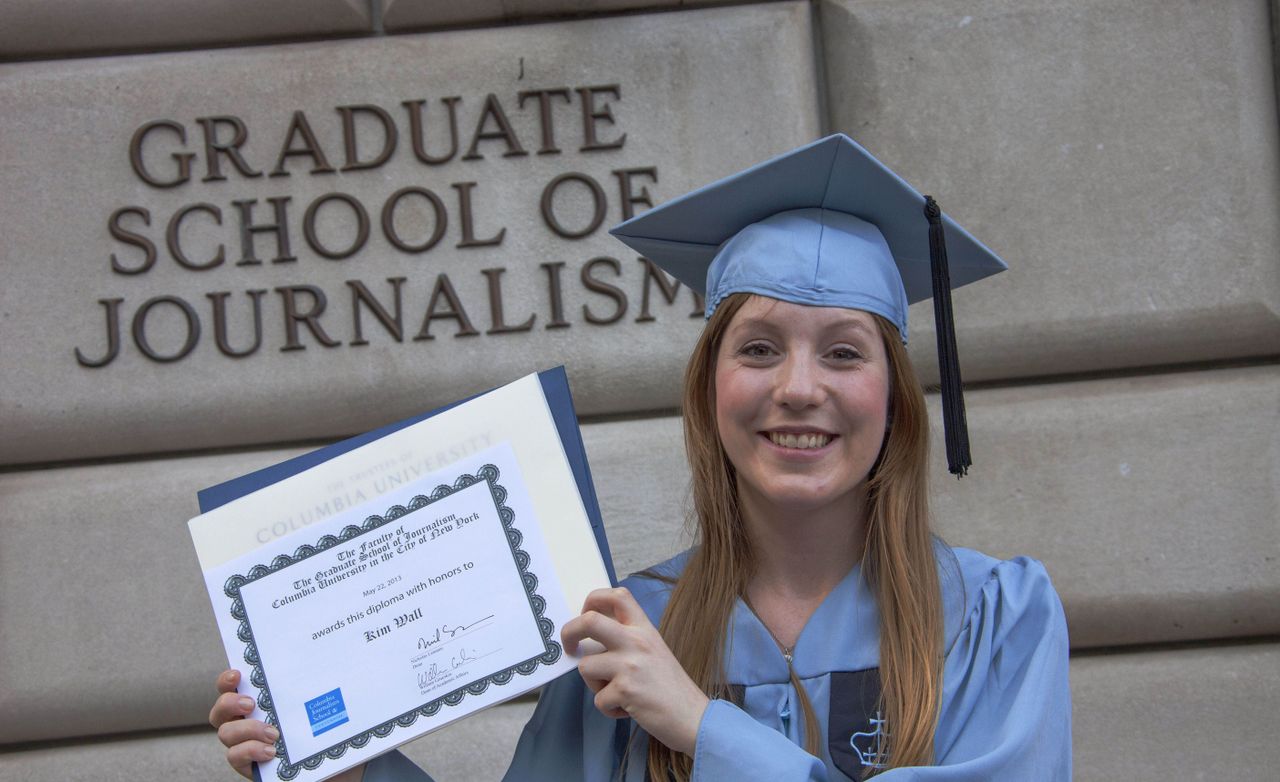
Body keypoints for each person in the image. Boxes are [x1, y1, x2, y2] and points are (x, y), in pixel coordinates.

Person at [210, 134, 1071, 781]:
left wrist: (705, 731)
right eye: (760, 349)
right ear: (708, 391)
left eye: (845, 353)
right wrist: (354, 769)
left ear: (895, 399)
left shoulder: (997, 619)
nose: (800, 388)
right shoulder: (624, 636)